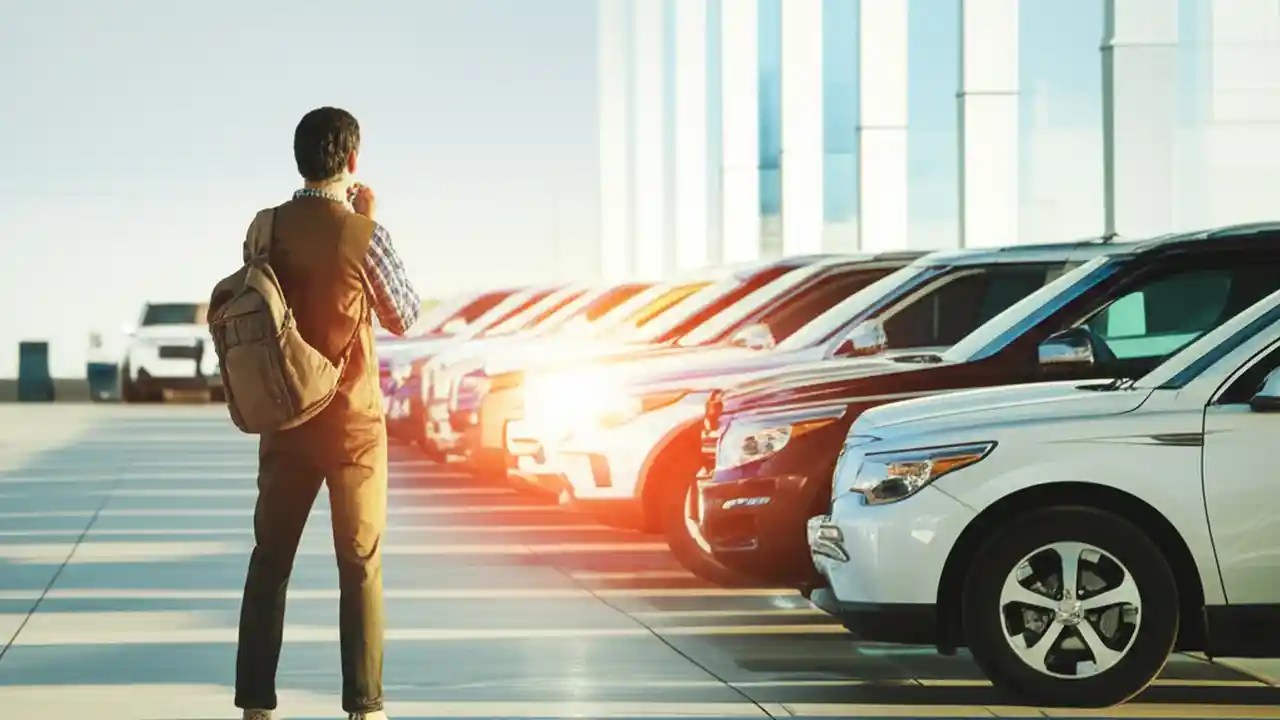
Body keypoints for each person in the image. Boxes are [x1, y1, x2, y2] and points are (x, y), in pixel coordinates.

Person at [235, 107, 420, 720]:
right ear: (352, 161)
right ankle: (365, 706)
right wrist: (368, 221)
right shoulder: (364, 234)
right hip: (352, 430)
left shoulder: (262, 228)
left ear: (299, 159)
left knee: (270, 562)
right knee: (360, 564)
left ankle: (256, 704)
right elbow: (404, 316)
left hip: (284, 421)